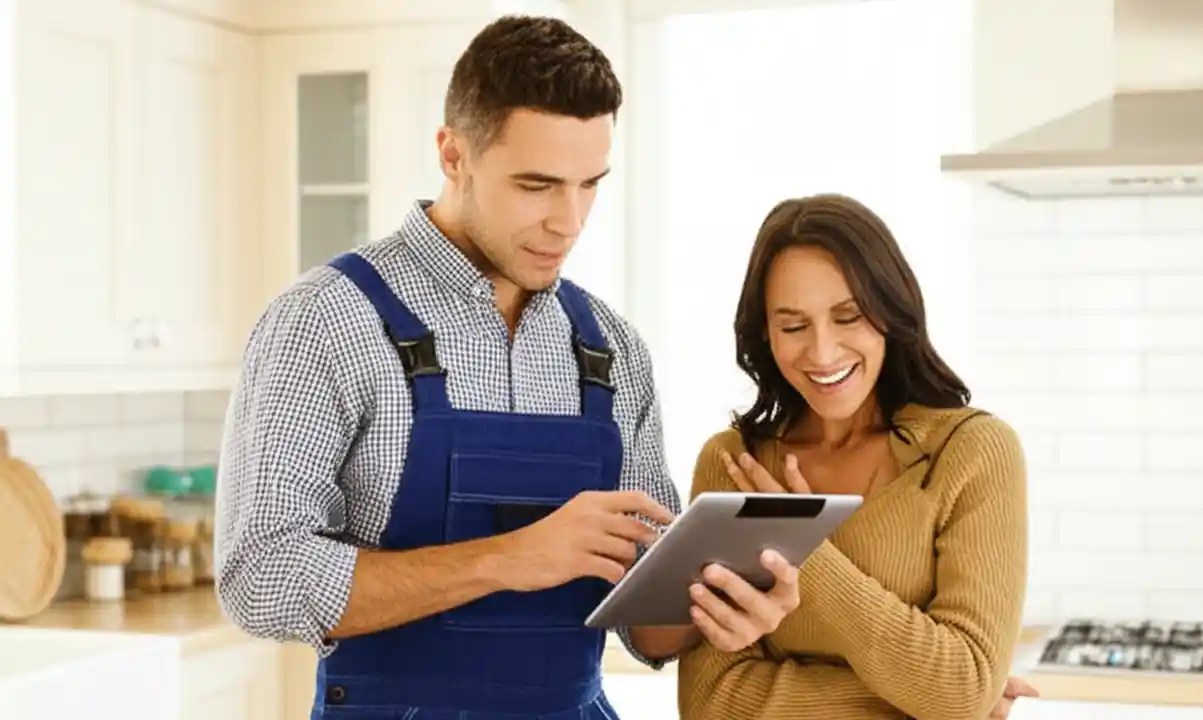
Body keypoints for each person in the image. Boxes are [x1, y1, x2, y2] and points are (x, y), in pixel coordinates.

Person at [212, 15, 803, 720]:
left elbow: (648, 628)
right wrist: (508, 558)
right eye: (537, 185)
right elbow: (259, 578)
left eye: (589, 184)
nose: (569, 221)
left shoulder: (612, 348)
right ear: (453, 155)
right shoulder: (325, 320)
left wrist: (728, 606)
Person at [677, 193, 1038, 720]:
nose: (822, 353)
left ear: (891, 311)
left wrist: (803, 552)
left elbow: (963, 687)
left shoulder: (971, 452)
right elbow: (712, 703)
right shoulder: (735, 463)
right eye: (793, 326)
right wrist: (927, 703)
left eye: (848, 317)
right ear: (765, 333)